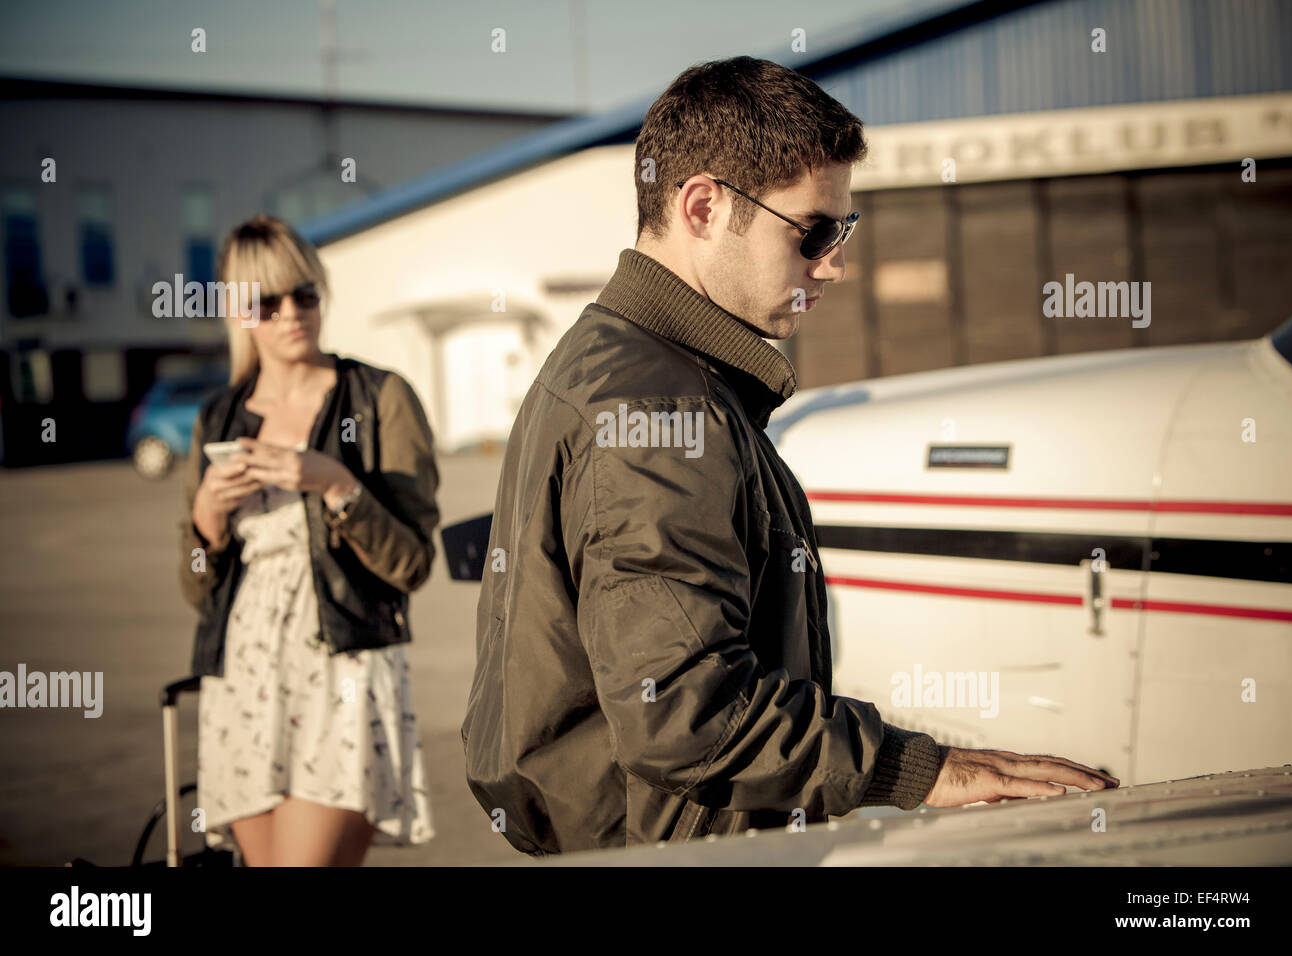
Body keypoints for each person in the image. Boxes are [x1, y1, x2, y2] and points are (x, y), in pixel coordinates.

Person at [462, 57, 1118, 856]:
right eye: (812, 231)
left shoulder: (622, 362)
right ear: (703, 207)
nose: (835, 265)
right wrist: (916, 770)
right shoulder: (659, 408)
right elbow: (682, 712)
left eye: (843, 232)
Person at [179, 214, 440, 865]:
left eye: (305, 293)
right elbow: (192, 587)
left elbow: (412, 563)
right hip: (241, 679)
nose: (291, 312)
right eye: (266, 302)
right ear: (240, 313)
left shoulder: (378, 398)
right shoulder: (219, 416)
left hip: (342, 668)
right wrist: (207, 519)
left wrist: (335, 484)